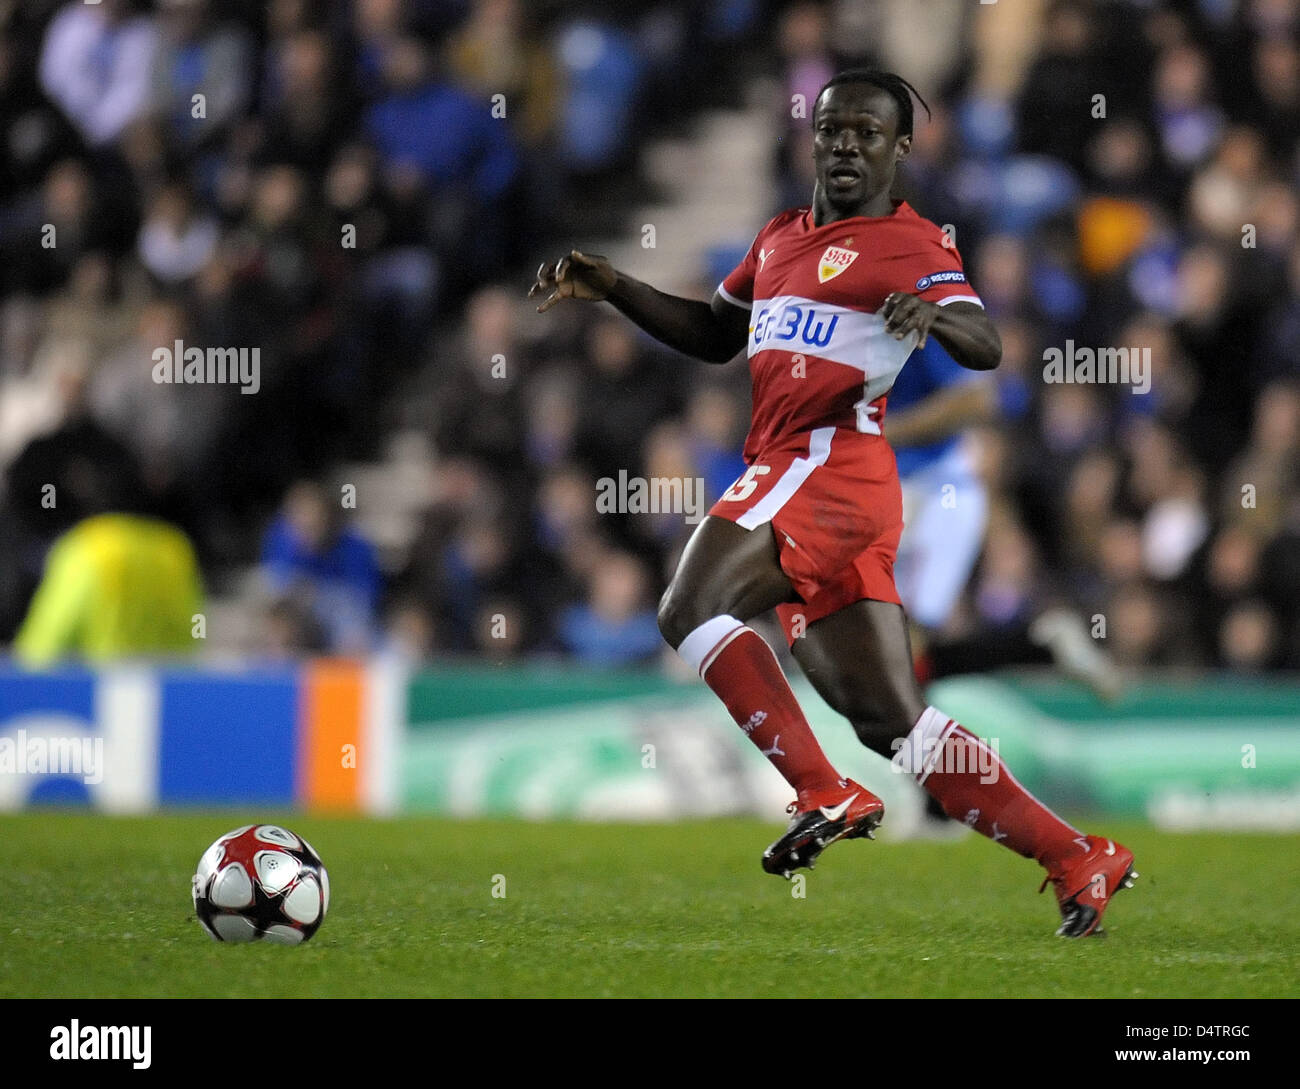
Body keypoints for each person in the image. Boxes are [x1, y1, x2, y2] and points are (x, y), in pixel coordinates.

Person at [530, 69, 1137, 937]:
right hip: (831, 487)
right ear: (811, 140)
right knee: (893, 721)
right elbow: (713, 333)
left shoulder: (912, 242)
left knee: (687, 607)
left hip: (824, 467)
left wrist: (934, 320)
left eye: (866, 132)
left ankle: (822, 790)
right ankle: (1077, 854)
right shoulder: (778, 237)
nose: (846, 145)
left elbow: (987, 341)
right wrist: (616, 284)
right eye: (832, 129)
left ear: (898, 148)